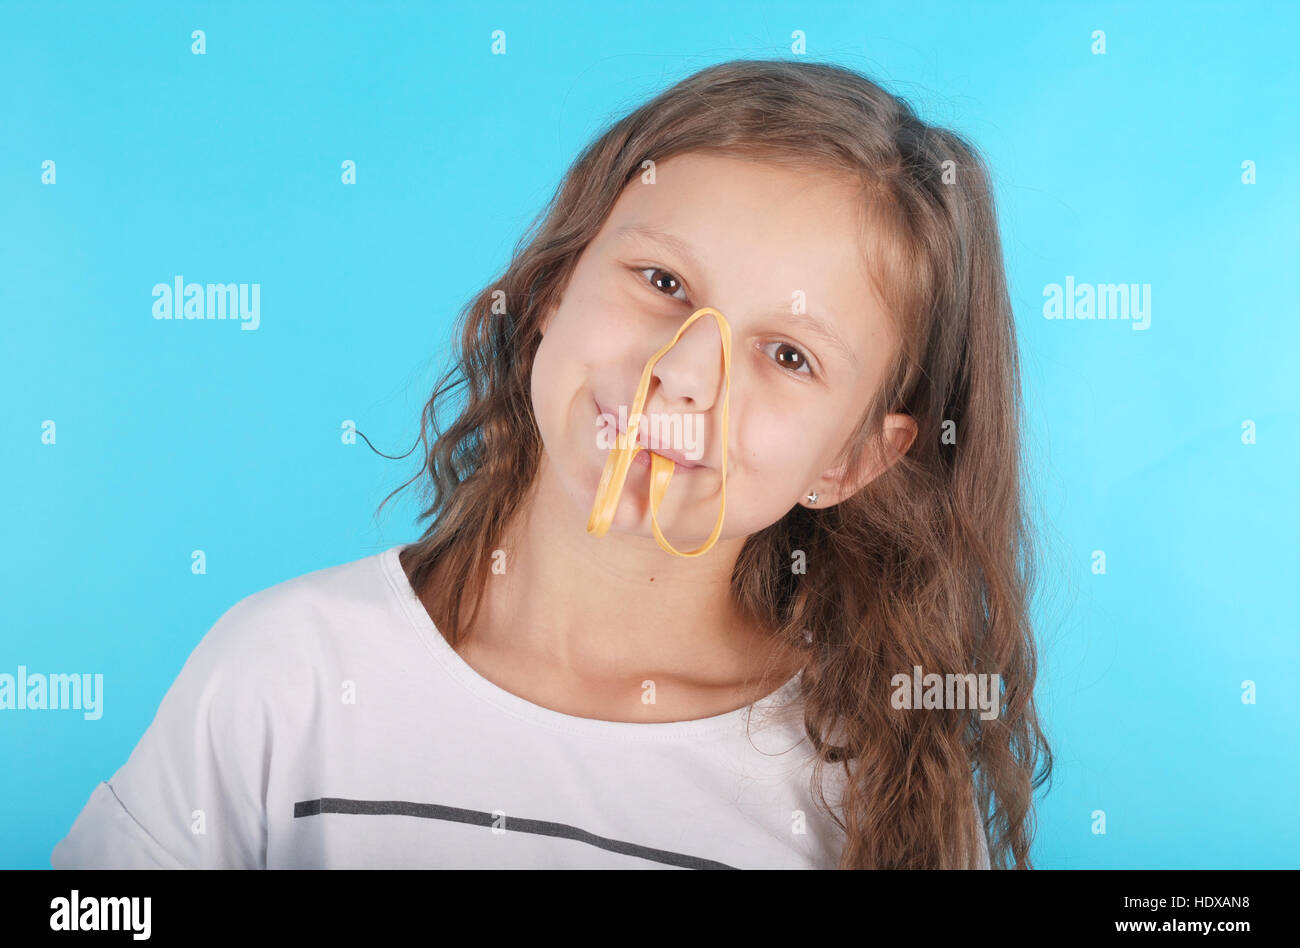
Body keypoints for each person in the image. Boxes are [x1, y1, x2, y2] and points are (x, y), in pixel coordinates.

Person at [52, 58, 1049, 870]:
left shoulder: (865, 797)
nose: (685, 375)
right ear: (547, 296)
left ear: (852, 458)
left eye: (788, 355)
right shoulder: (288, 675)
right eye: (663, 282)